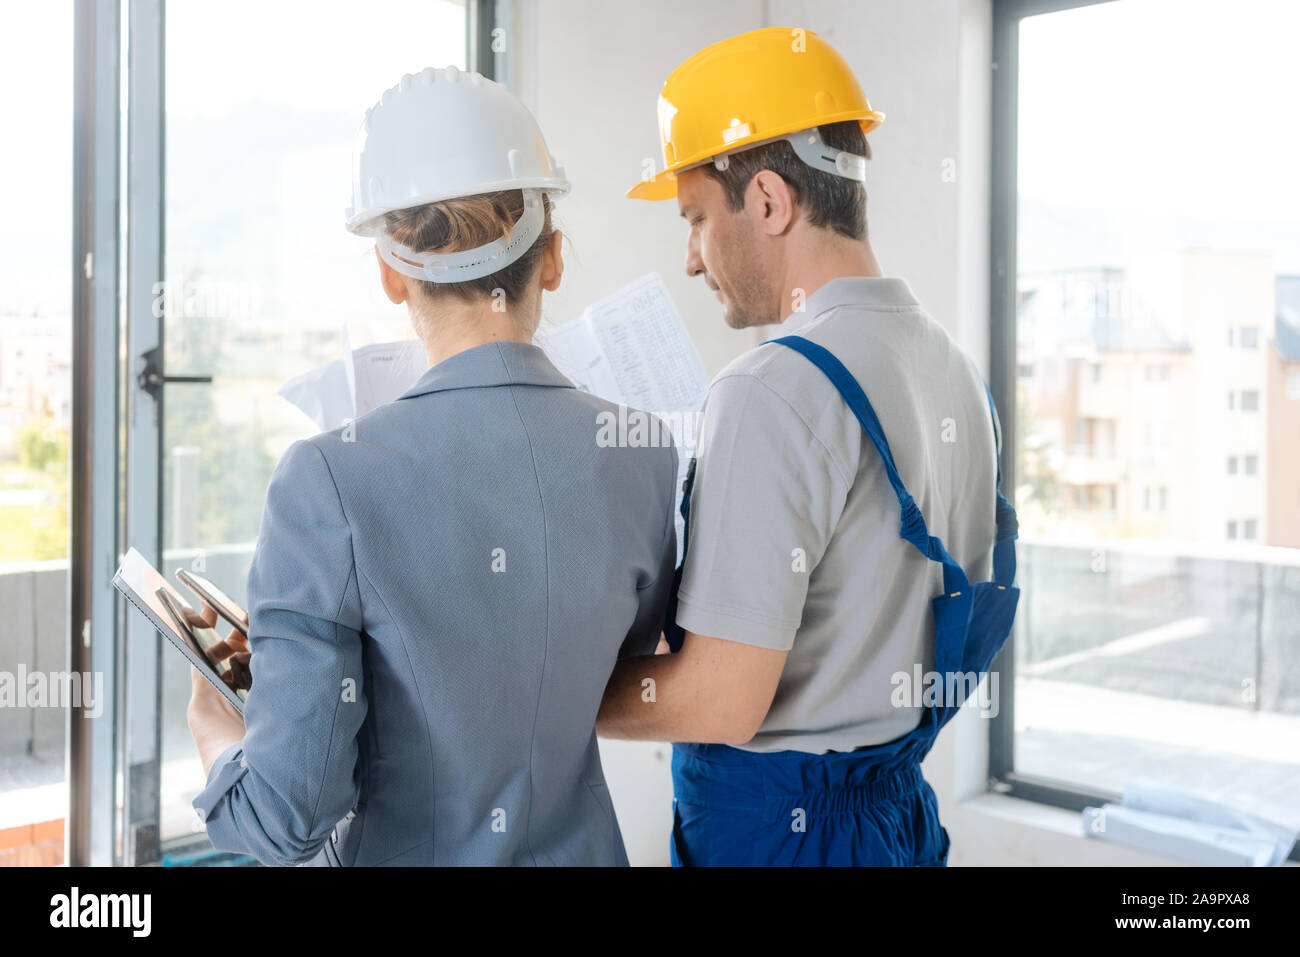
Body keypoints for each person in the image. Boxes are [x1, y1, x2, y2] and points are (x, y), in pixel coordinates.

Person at [185, 65, 679, 866]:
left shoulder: (327, 480)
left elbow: (285, 819)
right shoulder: (645, 450)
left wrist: (215, 731)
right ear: (550, 259)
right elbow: (620, 659)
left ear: (390, 272)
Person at [597, 27, 1019, 866]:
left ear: (766, 201)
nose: (690, 259)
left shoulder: (770, 390)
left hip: (780, 836)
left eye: (694, 219)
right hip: (897, 817)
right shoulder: (956, 372)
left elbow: (722, 701)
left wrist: (551, 694)